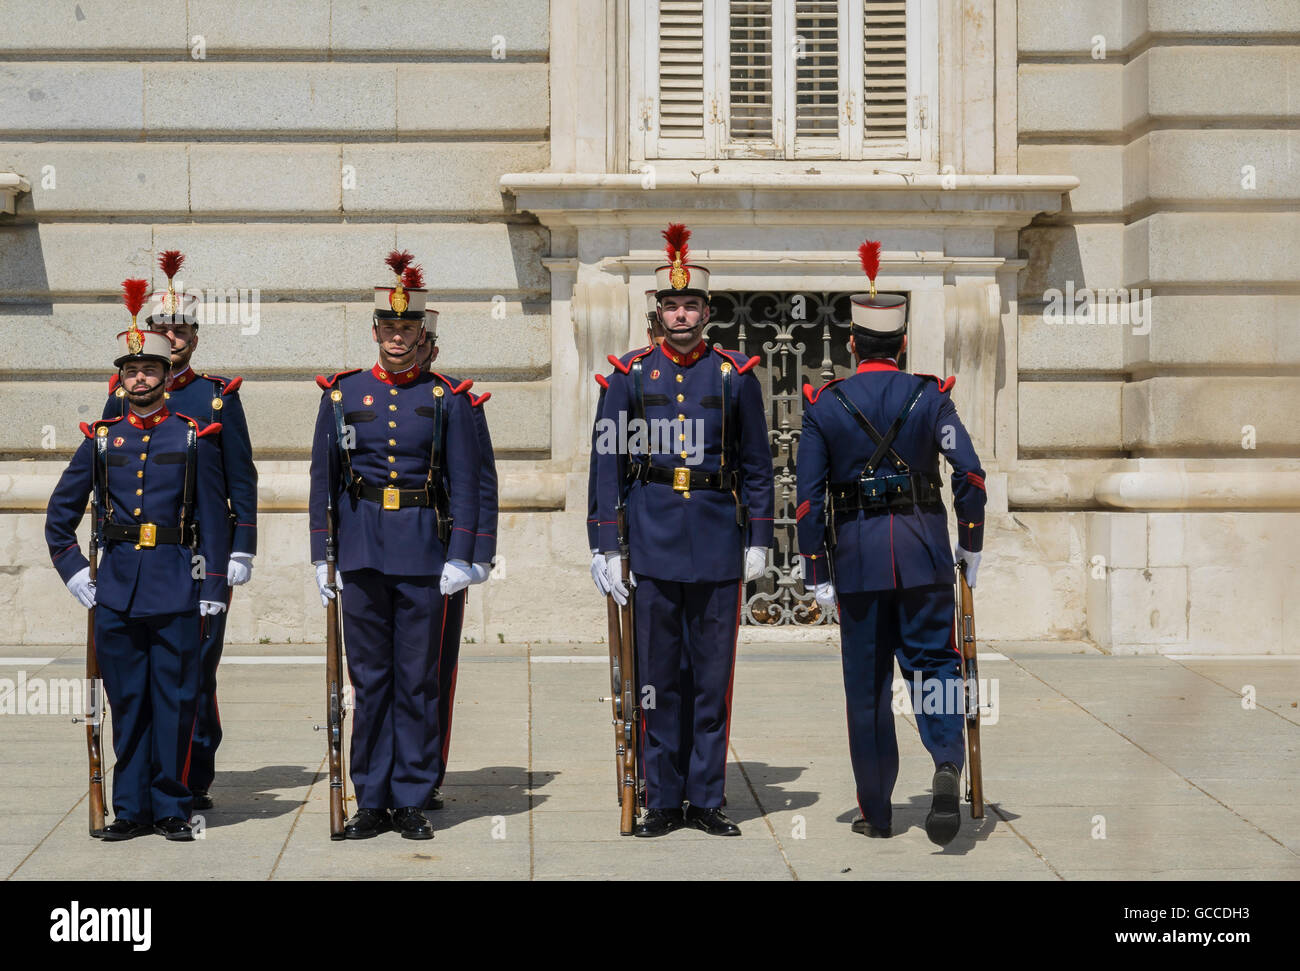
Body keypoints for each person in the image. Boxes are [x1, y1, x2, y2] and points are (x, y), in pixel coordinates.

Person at [795, 240, 986, 846]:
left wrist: (816, 568)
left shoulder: (825, 406)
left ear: (852, 344)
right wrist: (971, 544)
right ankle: (947, 762)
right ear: (902, 344)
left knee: (867, 685)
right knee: (934, 667)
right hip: (926, 553)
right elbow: (972, 474)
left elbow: (807, 498)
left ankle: (876, 811)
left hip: (857, 564)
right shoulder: (931, 397)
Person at [595, 224, 774, 837]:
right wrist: (604, 546)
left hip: (717, 539)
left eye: (690, 304)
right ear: (657, 312)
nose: (680, 313)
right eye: (670, 305)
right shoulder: (628, 377)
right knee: (655, 680)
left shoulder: (733, 377)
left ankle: (706, 799)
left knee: (710, 681)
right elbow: (607, 465)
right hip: (649, 538)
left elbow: (756, 464)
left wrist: (759, 539)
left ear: (706, 311)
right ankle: (662, 798)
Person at [46, 280, 230, 842]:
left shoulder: (195, 436)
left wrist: (213, 583)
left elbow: (215, 518)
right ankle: (130, 809)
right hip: (119, 588)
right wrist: (76, 571)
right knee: (126, 703)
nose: (141, 379)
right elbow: (60, 514)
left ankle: (172, 806)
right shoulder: (102, 440)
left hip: (177, 583)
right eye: (132, 371)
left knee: (175, 701)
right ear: (121, 379)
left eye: (150, 369)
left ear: (165, 376)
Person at [308, 251, 480, 840]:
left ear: (423, 335)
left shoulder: (447, 398)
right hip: (360, 549)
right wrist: (320, 553)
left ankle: (410, 795)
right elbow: (322, 480)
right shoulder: (342, 396)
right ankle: (371, 797)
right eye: (389, 327)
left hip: (424, 553)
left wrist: (464, 554)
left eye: (408, 328)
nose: (398, 336)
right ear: (375, 331)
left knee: (417, 678)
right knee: (369, 679)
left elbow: (469, 481)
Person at [103, 250, 257, 811]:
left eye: (181, 328)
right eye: (162, 327)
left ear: (194, 335)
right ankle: (146, 782)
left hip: (200, 552)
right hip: (140, 559)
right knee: (145, 675)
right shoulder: (125, 390)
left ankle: (193, 771)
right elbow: (110, 466)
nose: (172, 335)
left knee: (196, 665)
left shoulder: (218, 396)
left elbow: (242, 477)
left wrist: (242, 547)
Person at [412, 326, 498, 811]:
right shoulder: (355, 393)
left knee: (429, 673)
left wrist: (475, 554)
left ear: (433, 347)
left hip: (436, 548)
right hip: (376, 551)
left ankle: (423, 777)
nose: (406, 345)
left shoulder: (457, 399)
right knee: (375, 678)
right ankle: (379, 782)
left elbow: (479, 480)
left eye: (417, 338)